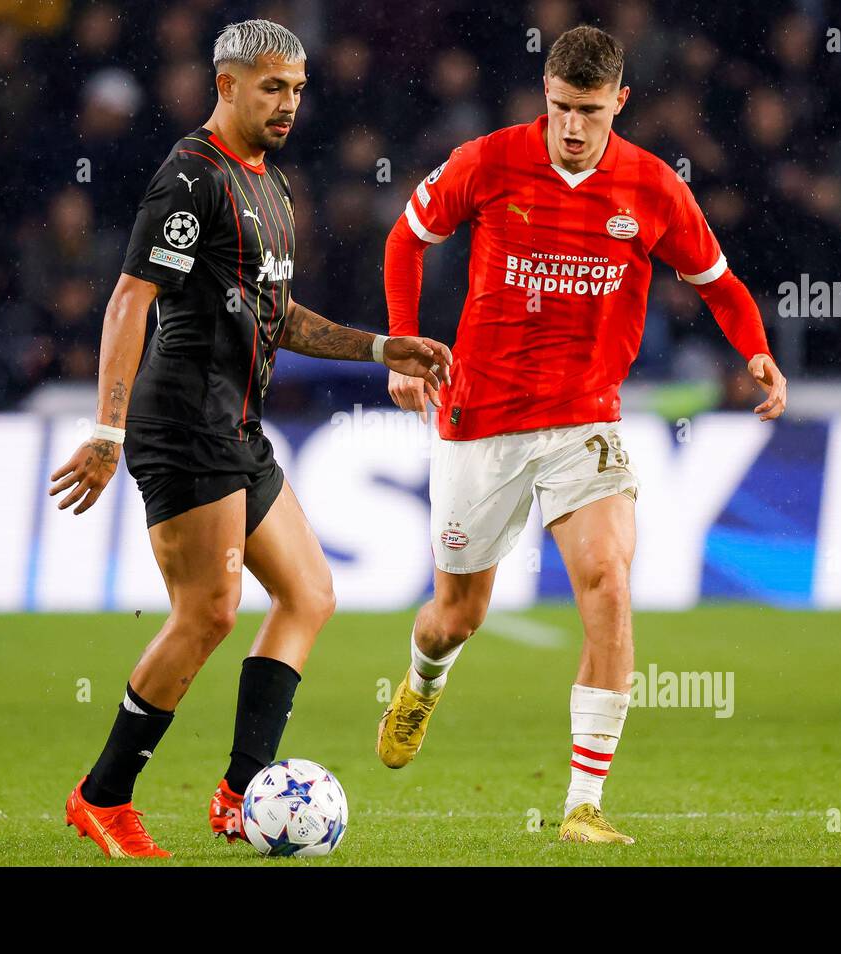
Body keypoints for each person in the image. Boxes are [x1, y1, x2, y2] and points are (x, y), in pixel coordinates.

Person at [48, 19, 451, 858]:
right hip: (182, 423)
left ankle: (241, 793)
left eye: (298, 89)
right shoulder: (190, 178)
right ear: (225, 84)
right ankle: (102, 797)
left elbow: (280, 314)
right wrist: (106, 428)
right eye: (272, 87)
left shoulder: (271, 184)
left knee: (309, 595)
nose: (288, 104)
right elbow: (130, 299)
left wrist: (379, 347)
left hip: (238, 425)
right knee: (210, 612)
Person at [377, 25, 787, 844]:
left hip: (584, 418)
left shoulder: (651, 188)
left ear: (619, 102)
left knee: (606, 577)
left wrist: (758, 351)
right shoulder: (488, 161)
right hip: (478, 420)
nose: (572, 126)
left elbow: (720, 282)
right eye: (561, 106)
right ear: (545, 93)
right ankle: (424, 679)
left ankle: (583, 804)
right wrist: (401, 346)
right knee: (456, 616)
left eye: (589, 111)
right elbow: (404, 239)